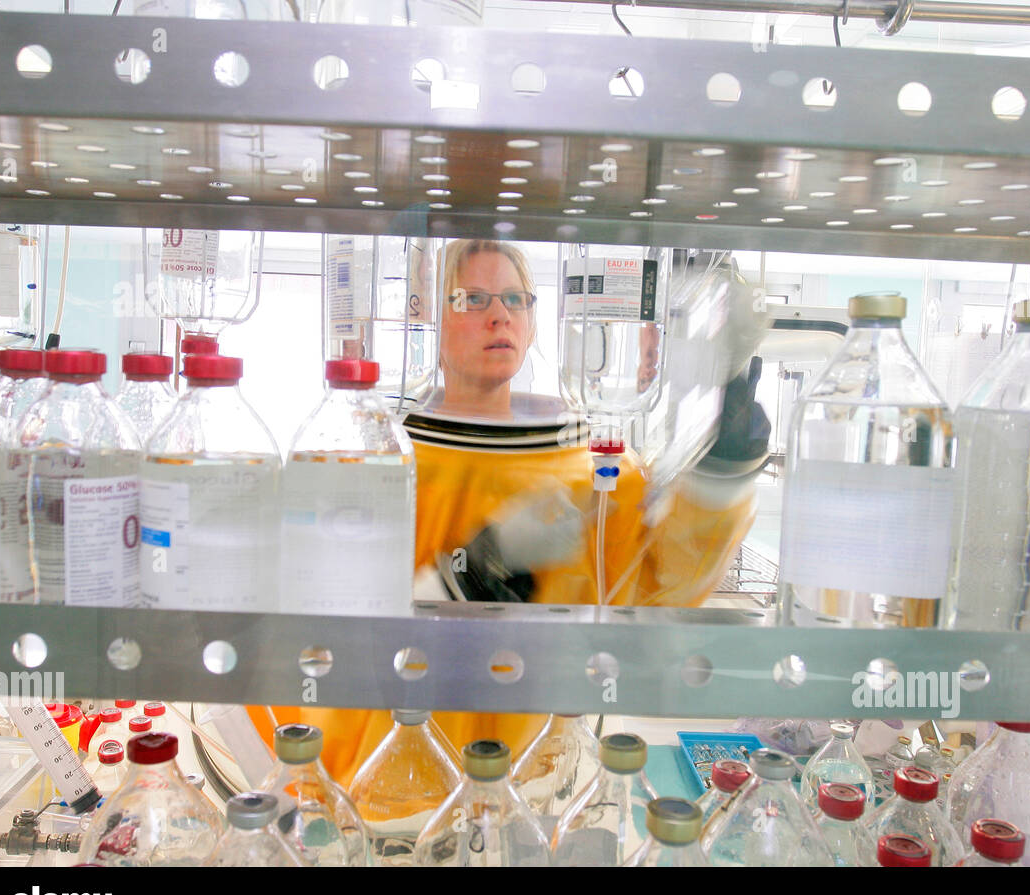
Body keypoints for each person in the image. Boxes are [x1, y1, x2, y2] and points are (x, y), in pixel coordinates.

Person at [255, 239, 771, 785]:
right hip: (397, 790)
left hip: (541, 788)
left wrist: (726, 425)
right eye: (471, 299)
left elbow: (664, 589)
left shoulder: (591, 468)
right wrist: (483, 568)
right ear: (427, 316)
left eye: (514, 299)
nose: (499, 315)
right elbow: (340, 651)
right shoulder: (380, 462)